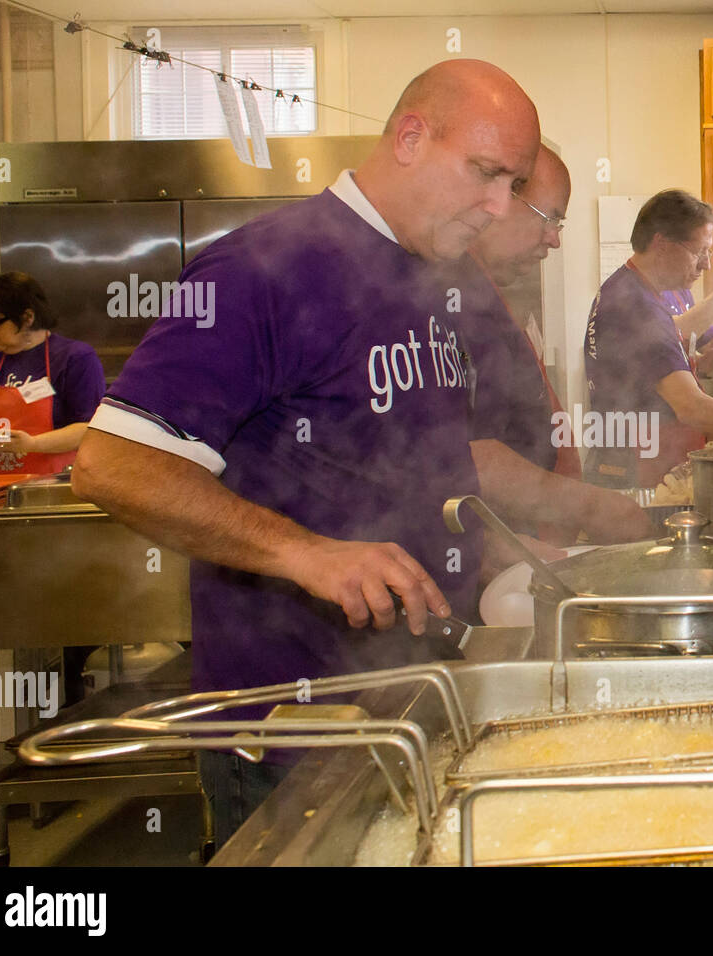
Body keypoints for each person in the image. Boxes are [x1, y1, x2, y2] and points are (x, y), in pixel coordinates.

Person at [71, 59, 542, 843]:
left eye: (514, 186)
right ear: (410, 137)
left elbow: (382, 461)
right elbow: (112, 463)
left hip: (403, 704)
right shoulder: (265, 268)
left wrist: (475, 546)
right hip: (292, 731)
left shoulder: (431, 279)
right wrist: (310, 554)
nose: (499, 207)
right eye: (487, 174)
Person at [454, 145, 654, 549]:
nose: (555, 241)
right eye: (551, 220)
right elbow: (467, 455)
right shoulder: (457, 298)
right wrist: (588, 507)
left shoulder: (490, 292)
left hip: (523, 544)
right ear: (500, 201)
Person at [583, 189, 713, 489]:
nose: (706, 264)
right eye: (699, 252)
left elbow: (710, 345)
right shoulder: (630, 305)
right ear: (662, 244)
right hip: (635, 471)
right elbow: (691, 407)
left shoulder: (669, 290)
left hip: (665, 461)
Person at [0, 272, 104, 475]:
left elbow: (88, 429)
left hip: (47, 489)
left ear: (27, 317)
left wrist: (32, 443)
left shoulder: (74, 358)